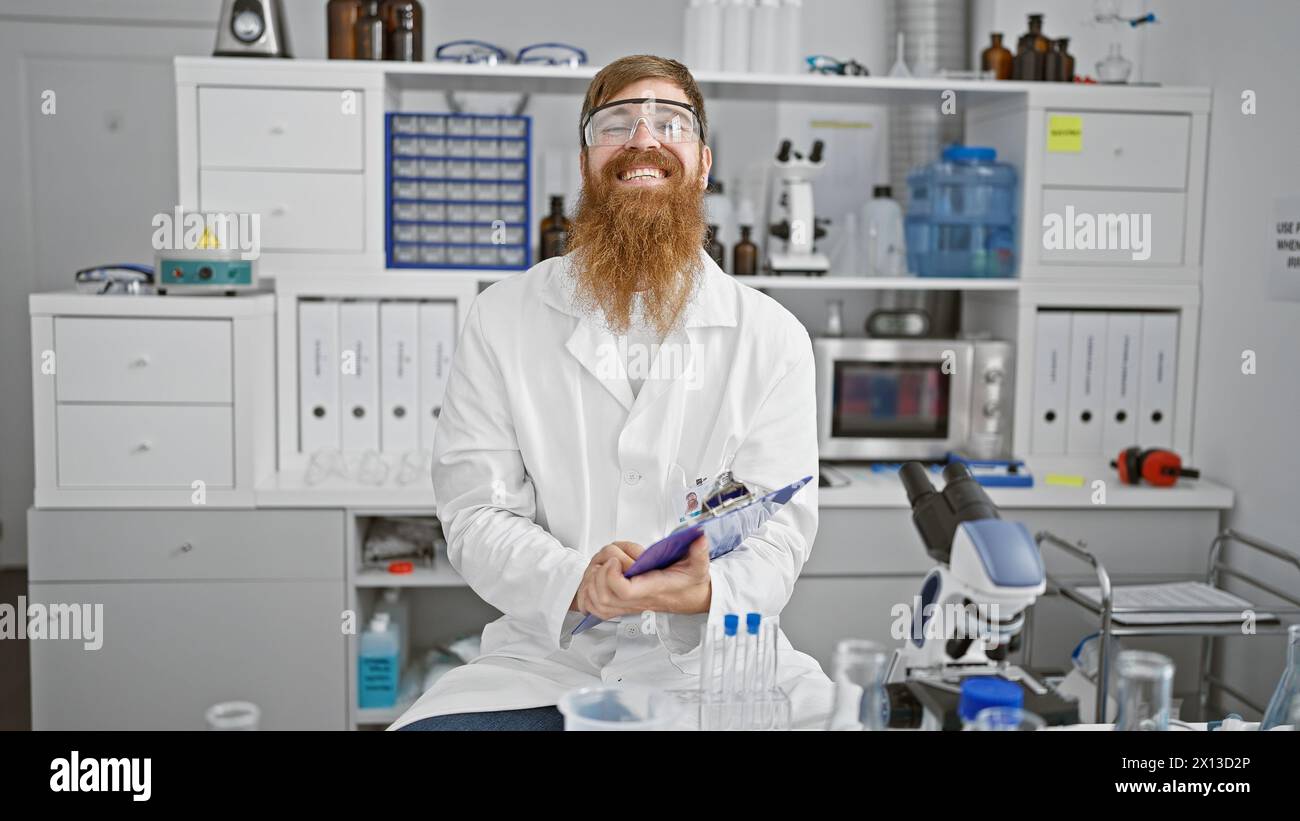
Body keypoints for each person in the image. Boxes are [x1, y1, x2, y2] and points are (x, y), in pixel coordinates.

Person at [392, 54, 831, 731]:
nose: (643, 139)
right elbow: (476, 513)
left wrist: (709, 588)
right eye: (616, 124)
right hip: (544, 667)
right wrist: (576, 581)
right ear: (585, 163)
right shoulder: (502, 316)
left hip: (716, 671)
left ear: (704, 161)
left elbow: (780, 535)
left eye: (671, 123)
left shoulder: (773, 338)